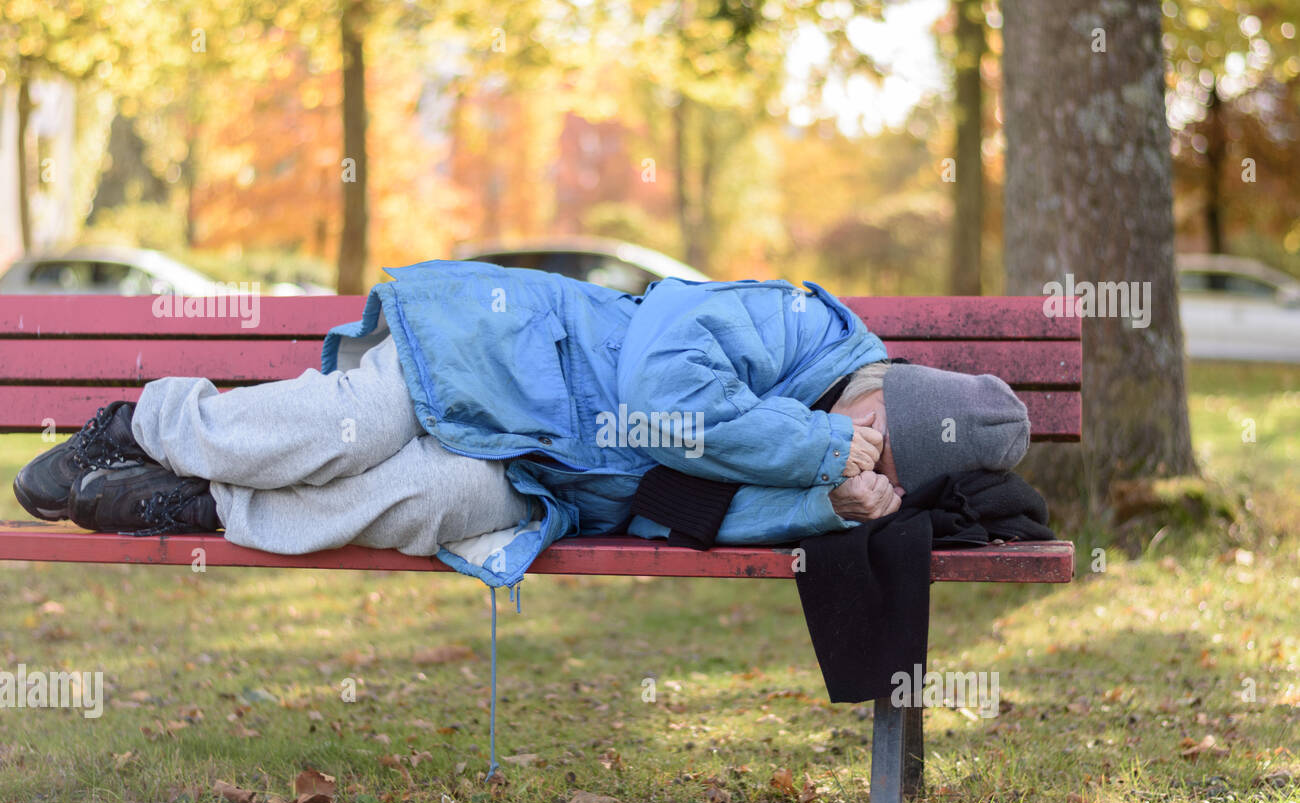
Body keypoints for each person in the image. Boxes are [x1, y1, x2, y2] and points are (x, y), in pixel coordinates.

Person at [13, 259, 1030, 589]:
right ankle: (143, 427)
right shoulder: (795, 323)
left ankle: (202, 500)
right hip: (493, 351)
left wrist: (825, 500)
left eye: (886, 464)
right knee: (350, 431)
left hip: (551, 472)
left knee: (433, 497)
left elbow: (694, 511)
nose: (865, 453)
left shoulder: (836, 461)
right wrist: (813, 450)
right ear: (882, 392)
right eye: (873, 435)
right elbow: (662, 397)